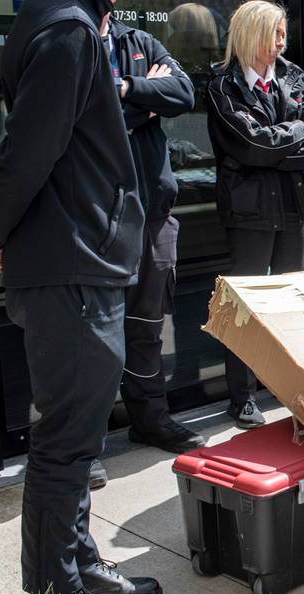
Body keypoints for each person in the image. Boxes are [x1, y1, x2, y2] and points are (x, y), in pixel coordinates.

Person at [0, 1, 162, 594]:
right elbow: (26, 149)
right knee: (66, 440)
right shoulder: (67, 29)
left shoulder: (62, 23)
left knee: (77, 437)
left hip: (77, 259)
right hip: (72, 262)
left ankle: (77, 565)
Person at [207, 0, 304, 429]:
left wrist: (274, 147)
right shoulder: (223, 86)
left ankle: (288, 389)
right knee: (246, 308)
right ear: (251, 35)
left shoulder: (293, 77)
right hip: (249, 212)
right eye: (274, 34)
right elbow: (250, 145)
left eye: (283, 34)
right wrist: (293, 132)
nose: (281, 43)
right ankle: (242, 397)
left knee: (291, 303)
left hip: (293, 206)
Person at [104, 14, 206, 455]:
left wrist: (126, 88)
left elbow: (182, 93)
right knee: (96, 335)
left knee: (147, 327)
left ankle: (150, 421)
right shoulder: (75, 39)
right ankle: (84, 441)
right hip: (98, 219)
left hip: (153, 215)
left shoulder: (139, 41)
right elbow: (83, 116)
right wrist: (147, 101)